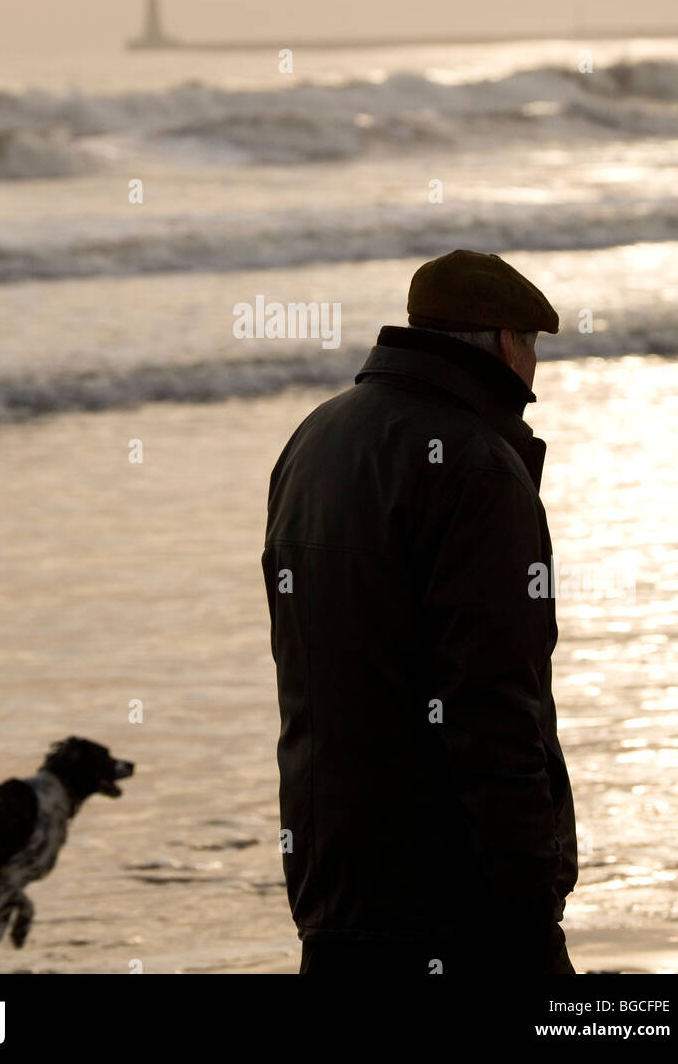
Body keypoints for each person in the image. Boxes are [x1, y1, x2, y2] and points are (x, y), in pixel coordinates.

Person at [262, 250, 578, 976]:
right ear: (506, 344)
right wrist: (531, 892)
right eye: (532, 347)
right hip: (455, 893)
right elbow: (492, 701)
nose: (534, 371)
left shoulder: (315, 439)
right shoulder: (477, 466)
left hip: (333, 876)